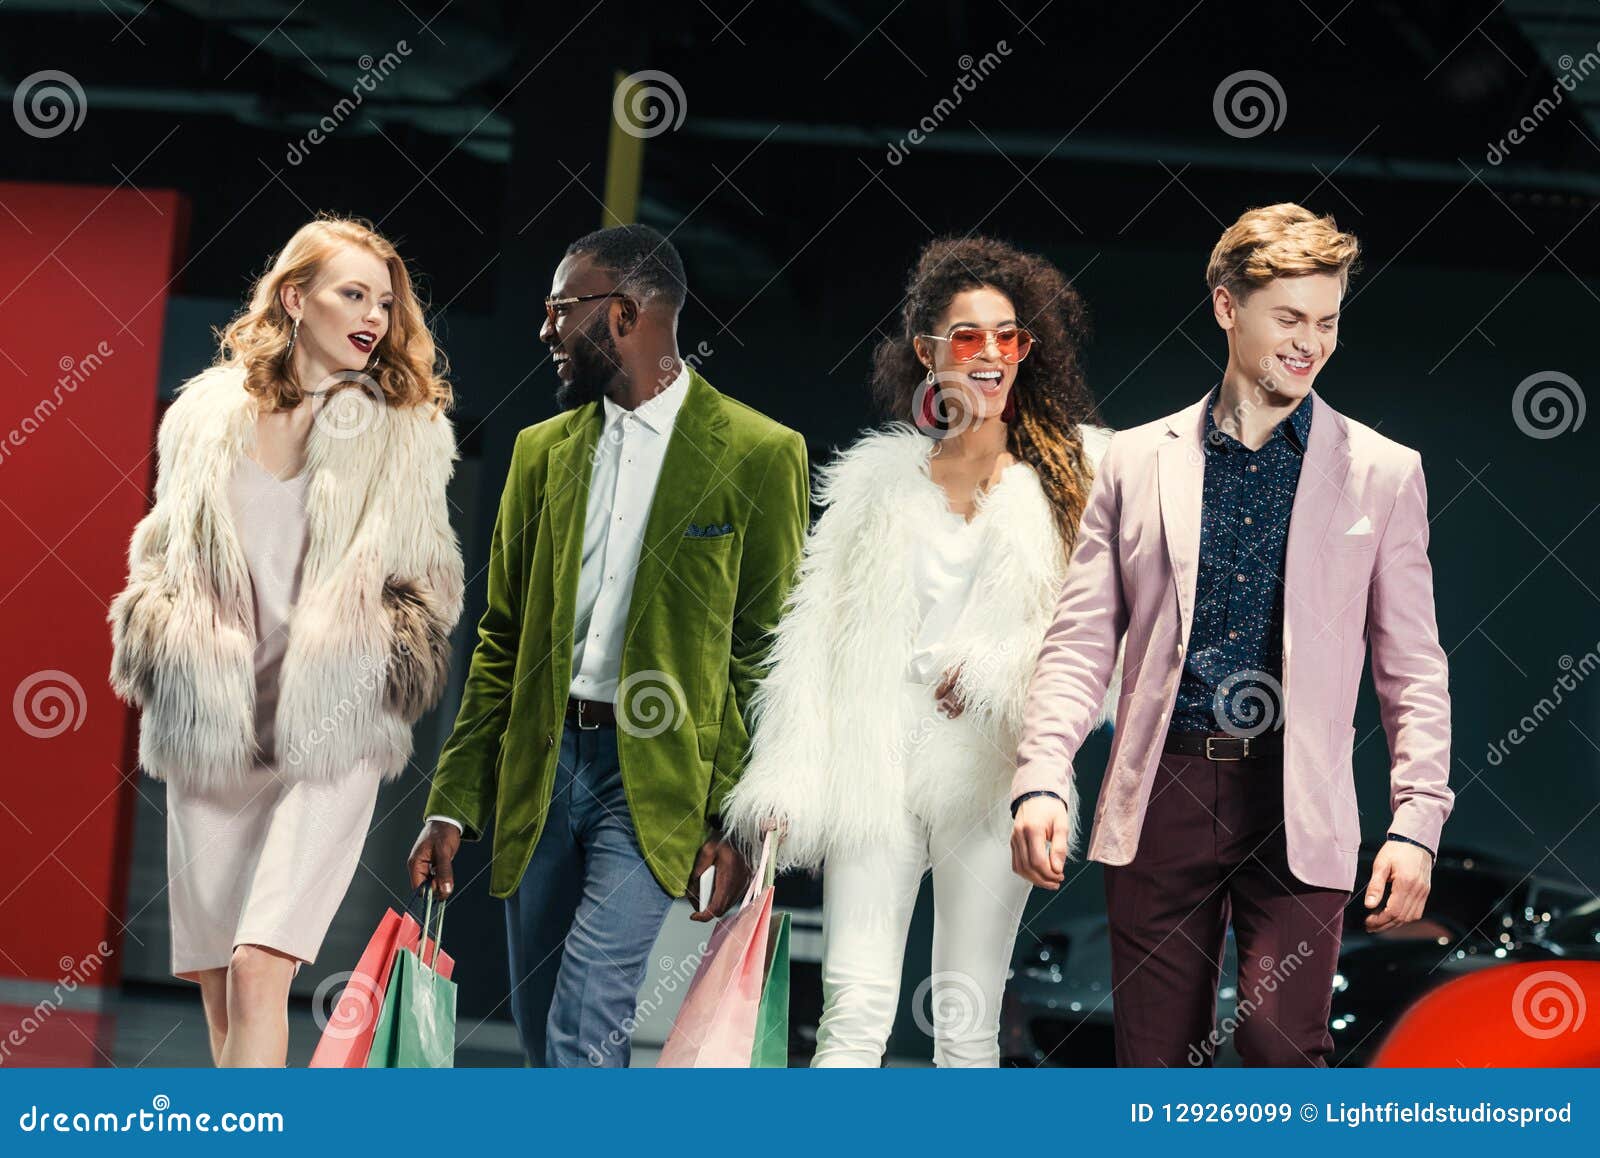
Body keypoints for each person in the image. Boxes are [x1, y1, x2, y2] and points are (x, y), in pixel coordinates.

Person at [1011, 203, 1453, 1066]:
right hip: (1163, 790)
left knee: (1279, 1045)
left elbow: (1414, 669)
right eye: (1289, 318)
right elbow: (1080, 642)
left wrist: (1416, 822)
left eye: (1327, 322)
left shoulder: (1384, 473)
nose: (1310, 343)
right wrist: (1042, 779)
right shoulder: (1136, 461)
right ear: (1226, 306)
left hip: (1298, 800)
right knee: (1155, 1061)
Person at [407, 224, 809, 1067]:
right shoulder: (539, 454)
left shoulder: (759, 453)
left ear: (623, 313)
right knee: (543, 1028)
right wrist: (452, 800)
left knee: (587, 1013)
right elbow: (500, 641)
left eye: (561, 309)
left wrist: (737, 821)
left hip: (652, 780)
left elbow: (763, 657)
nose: (546, 329)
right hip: (543, 767)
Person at [724, 236, 1116, 1067]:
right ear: (927, 352)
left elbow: (1096, 640)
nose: (991, 354)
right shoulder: (873, 484)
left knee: (967, 1023)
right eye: (968, 336)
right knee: (853, 1012)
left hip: (988, 765)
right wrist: (787, 775)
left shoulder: (1073, 479)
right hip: (873, 762)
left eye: (1008, 336)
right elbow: (812, 637)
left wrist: (994, 668)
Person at [108, 216, 463, 1067]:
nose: (374, 315)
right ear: (296, 299)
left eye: (385, 302)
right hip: (216, 726)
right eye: (354, 294)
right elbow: (162, 553)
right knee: (219, 985)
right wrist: (165, 638)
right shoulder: (204, 416)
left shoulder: (403, 428)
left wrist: (380, 659)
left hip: (331, 729)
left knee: (258, 966)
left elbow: (432, 579)